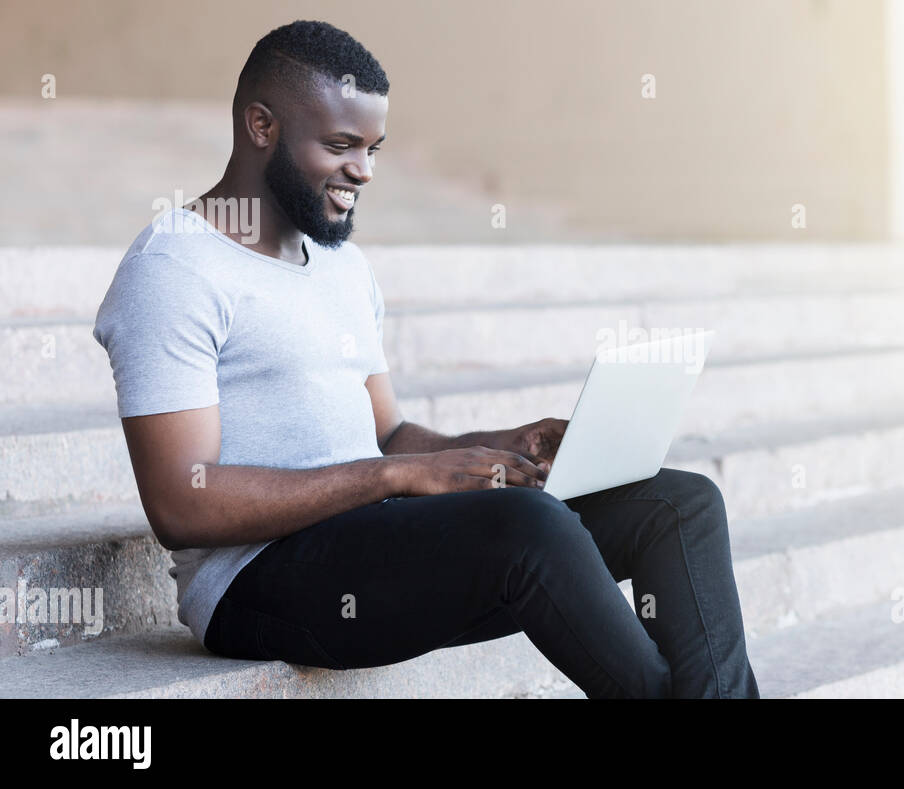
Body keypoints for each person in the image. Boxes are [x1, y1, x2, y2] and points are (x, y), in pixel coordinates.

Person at [92, 19, 759, 699]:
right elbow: (182, 501)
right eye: (341, 145)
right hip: (257, 580)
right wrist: (401, 475)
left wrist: (504, 444)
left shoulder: (339, 264)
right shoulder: (175, 268)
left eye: (374, 147)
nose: (365, 169)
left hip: (373, 536)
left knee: (679, 504)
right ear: (261, 125)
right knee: (529, 525)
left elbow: (390, 434)